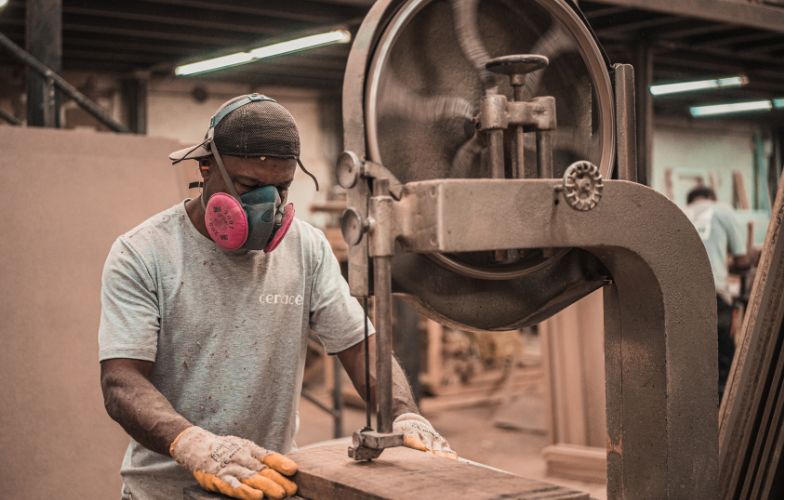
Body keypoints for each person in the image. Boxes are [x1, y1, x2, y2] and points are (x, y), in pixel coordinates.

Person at [99, 93, 455, 500]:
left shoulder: (306, 248)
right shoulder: (143, 253)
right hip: (164, 493)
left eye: (281, 189)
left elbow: (359, 345)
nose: (266, 207)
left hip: (271, 483)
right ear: (206, 167)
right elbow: (121, 381)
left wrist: (404, 414)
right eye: (250, 186)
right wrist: (195, 446)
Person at [683, 186, 749, 401]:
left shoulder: (678, 212)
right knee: (723, 363)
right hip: (714, 295)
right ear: (712, 197)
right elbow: (742, 260)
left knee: (690, 365)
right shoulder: (722, 210)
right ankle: (722, 419)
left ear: (691, 201)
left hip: (680, 297)